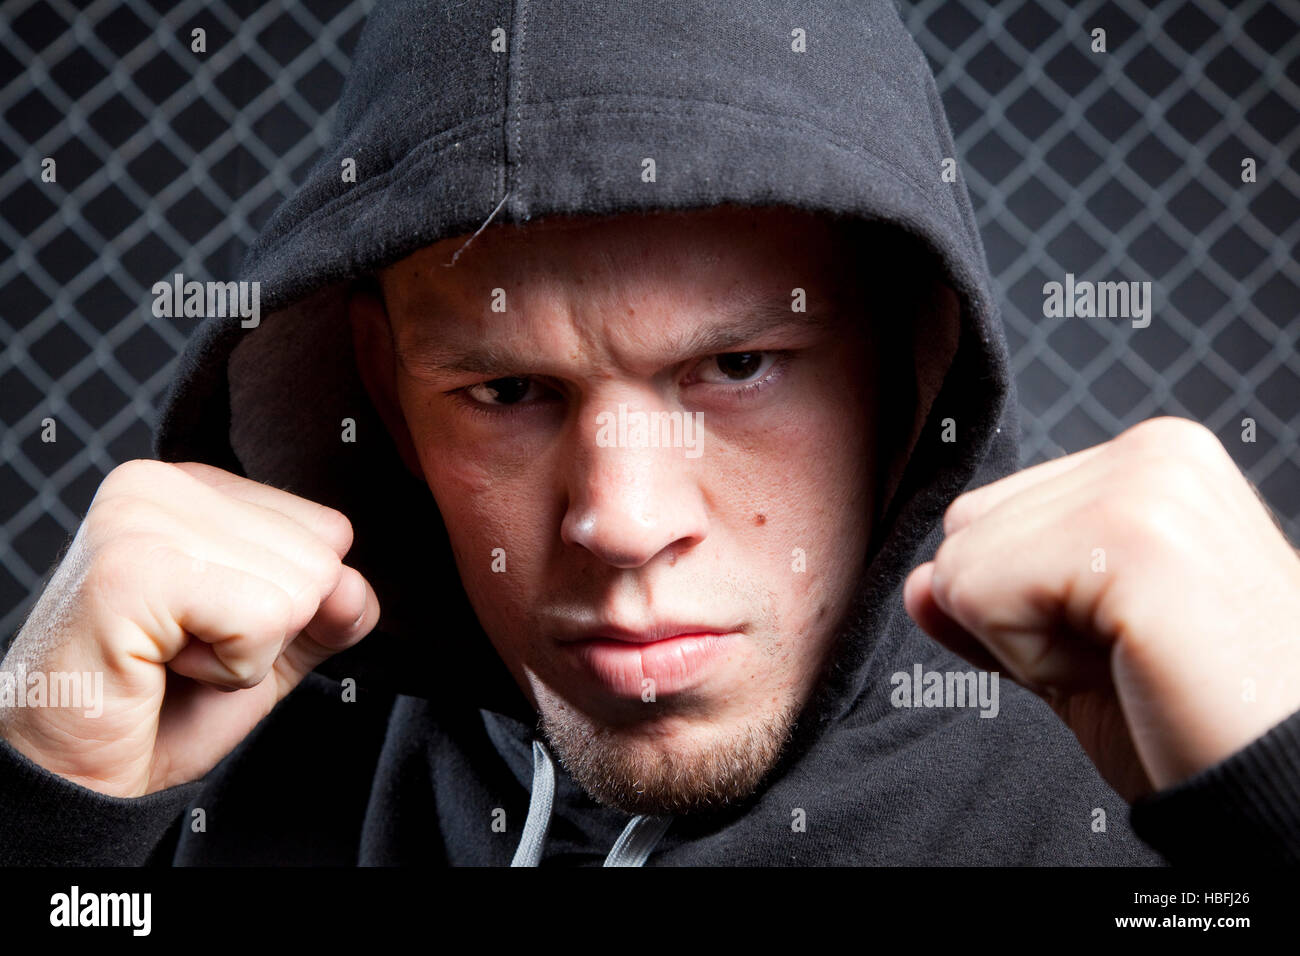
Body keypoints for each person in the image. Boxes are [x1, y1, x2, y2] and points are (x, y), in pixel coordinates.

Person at [1, 0, 1297, 866]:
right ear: (387, 396)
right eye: (505, 391)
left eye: (738, 366)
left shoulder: (1143, 824)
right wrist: (45, 814)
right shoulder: (239, 778)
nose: (619, 524)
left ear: (915, 366)